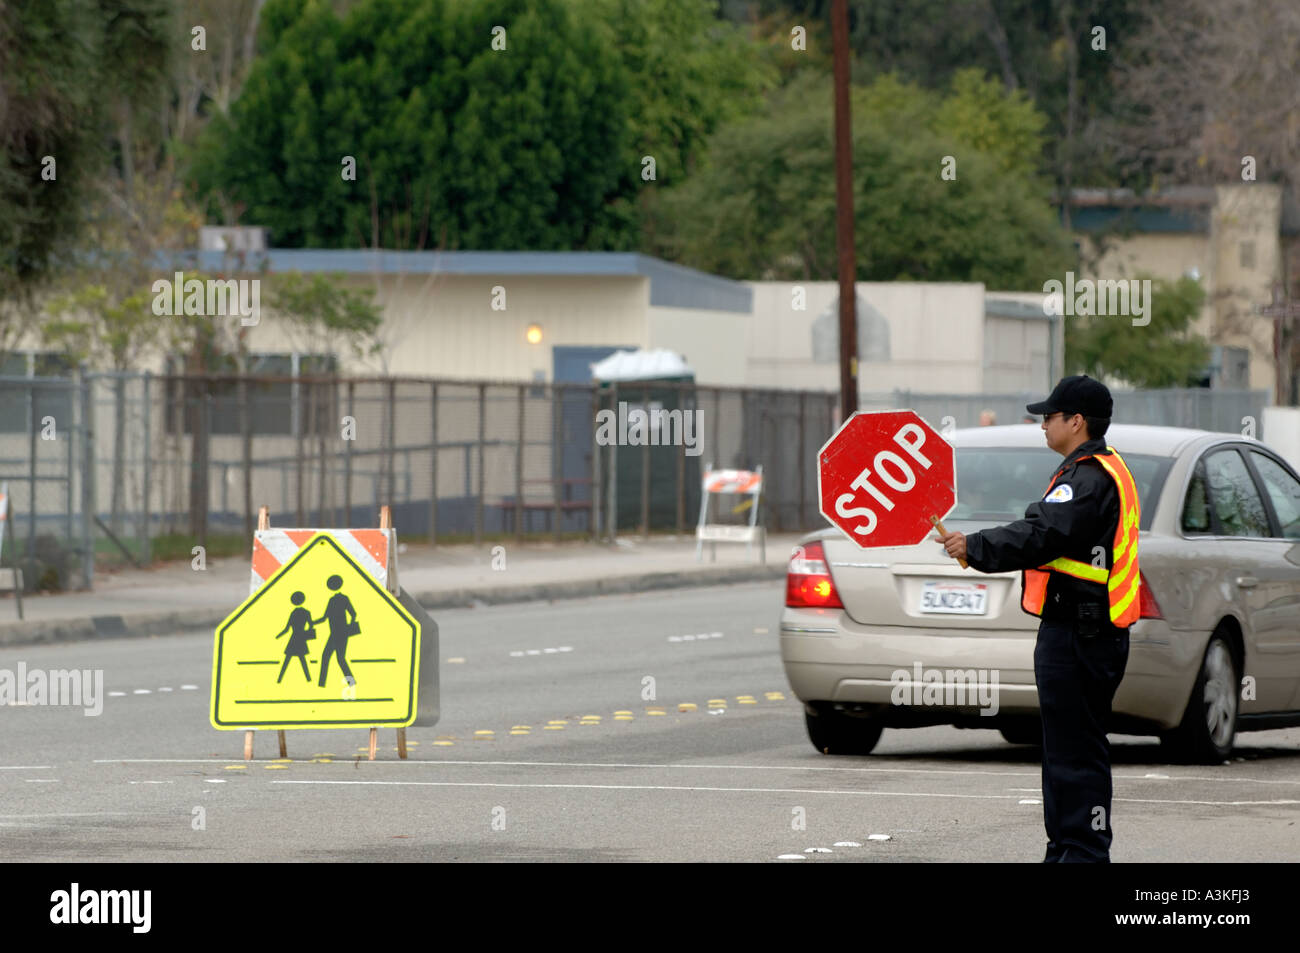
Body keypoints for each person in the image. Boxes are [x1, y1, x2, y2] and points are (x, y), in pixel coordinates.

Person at [932, 375, 1139, 863]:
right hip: (1087, 628)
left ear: (1076, 421)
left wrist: (975, 546)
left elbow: (1044, 532)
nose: (1041, 423)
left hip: (1080, 632)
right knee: (1068, 752)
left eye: (1048, 416)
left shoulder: (1087, 477)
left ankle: (1081, 854)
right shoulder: (1101, 469)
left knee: (1074, 755)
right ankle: (1067, 849)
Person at [314, 574, 360, 688]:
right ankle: (322, 684)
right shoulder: (335, 600)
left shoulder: (340, 599)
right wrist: (313, 622)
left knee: (337, 658)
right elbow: (325, 617)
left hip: (340, 633)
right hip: (335, 634)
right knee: (329, 657)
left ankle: (350, 682)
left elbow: (353, 613)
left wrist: (348, 627)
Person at [274, 591, 316, 683]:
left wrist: (278, 636)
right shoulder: (306, 612)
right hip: (301, 638)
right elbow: (311, 625)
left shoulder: (293, 613)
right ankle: (308, 679)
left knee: (287, 660)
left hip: (294, 638)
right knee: (302, 660)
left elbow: (286, 629)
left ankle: (279, 679)